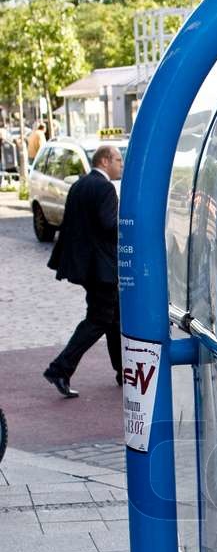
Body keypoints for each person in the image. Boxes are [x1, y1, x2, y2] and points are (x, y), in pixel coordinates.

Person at [43, 144, 124, 398]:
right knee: (100, 319)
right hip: (103, 268)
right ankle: (60, 369)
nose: (121, 165)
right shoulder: (105, 188)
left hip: (88, 267)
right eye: (118, 160)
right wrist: (128, 224)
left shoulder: (80, 185)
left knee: (114, 317)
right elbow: (109, 225)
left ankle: (124, 371)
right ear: (105, 161)